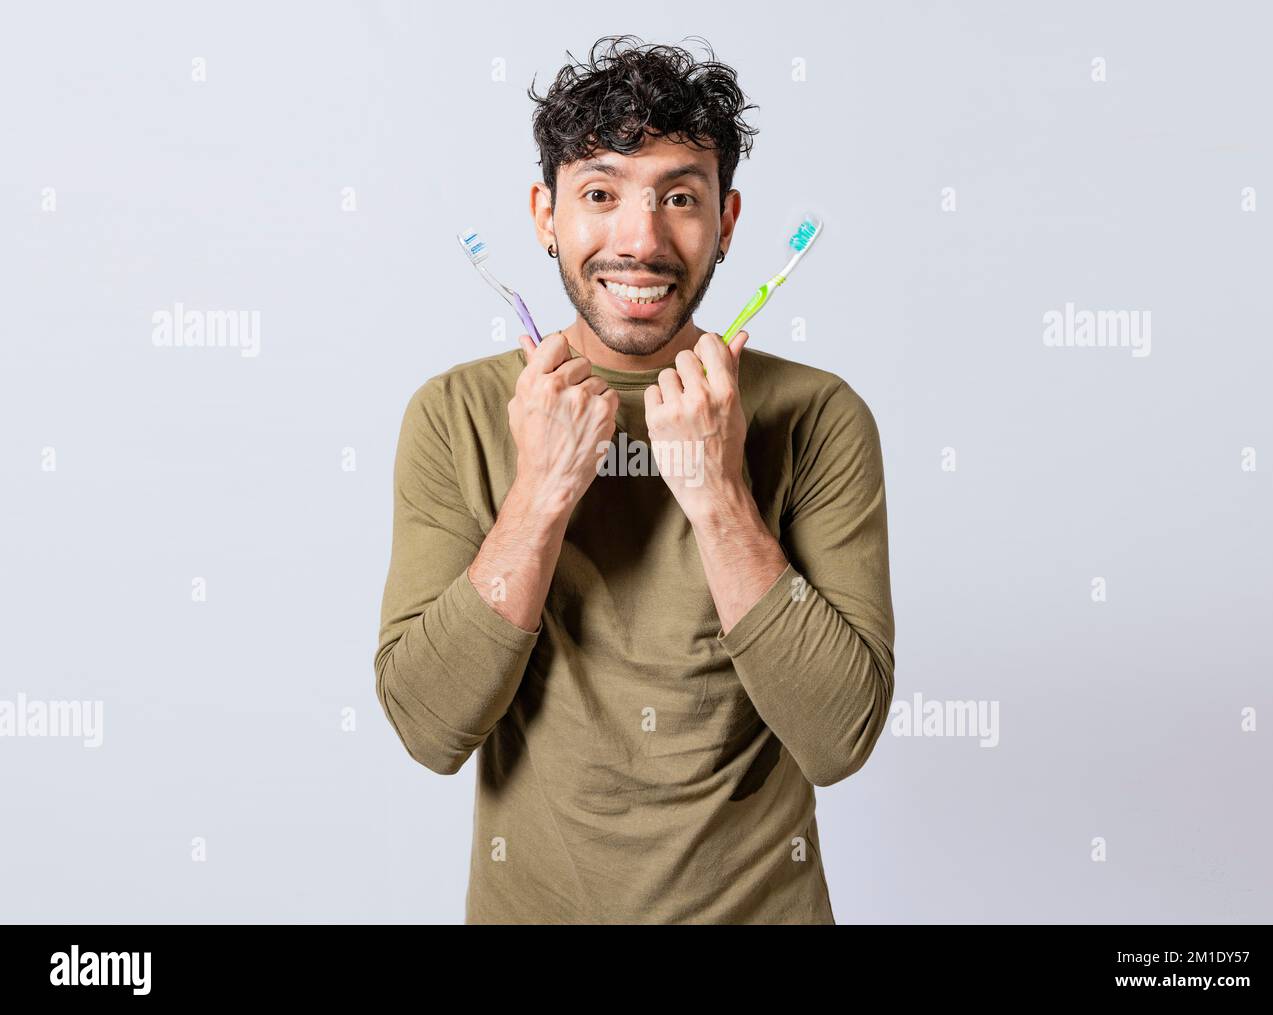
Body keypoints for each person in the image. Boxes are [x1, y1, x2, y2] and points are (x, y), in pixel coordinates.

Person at [374, 34, 895, 924]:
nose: (640, 240)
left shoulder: (819, 415)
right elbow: (429, 726)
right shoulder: (454, 414)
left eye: (680, 198)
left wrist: (717, 492)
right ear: (546, 215)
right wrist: (540, 492)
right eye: (601, 193)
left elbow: (838, 735)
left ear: (727, 222)